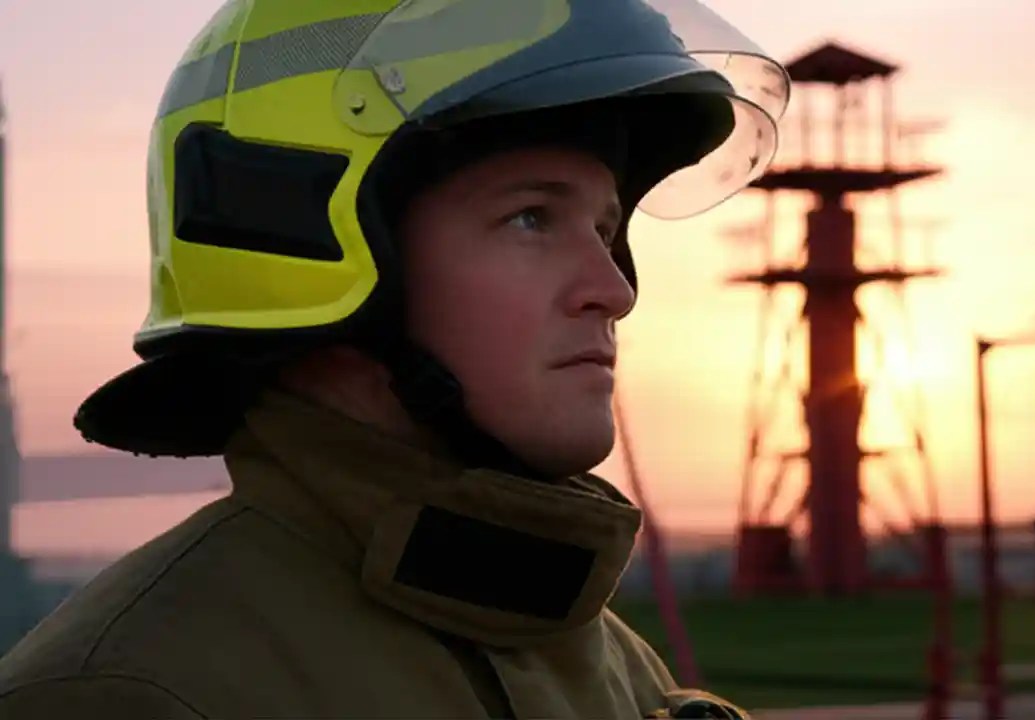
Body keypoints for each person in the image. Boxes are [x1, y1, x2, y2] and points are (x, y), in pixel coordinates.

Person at [0, 0, 789, 717]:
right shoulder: (131, 695)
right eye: (530, 218)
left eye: (606, 227)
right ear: (304, 240)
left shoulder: (620, 670)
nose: (612, 289)